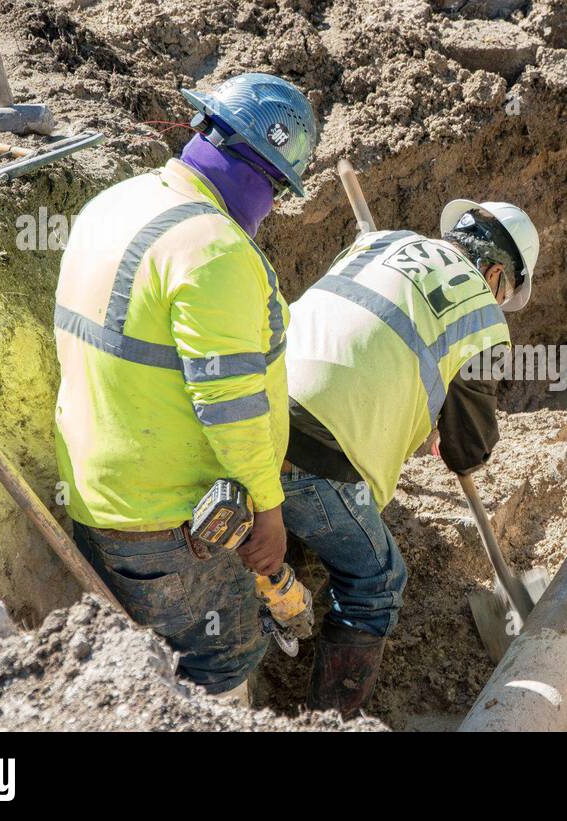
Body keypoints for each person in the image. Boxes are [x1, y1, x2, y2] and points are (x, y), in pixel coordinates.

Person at [53, 73, 319, 704]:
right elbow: (232, 408)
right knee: (219, 665)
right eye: (278, 188)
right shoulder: (216, 251)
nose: (273, 206)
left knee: (146, 671)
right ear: (264, 176)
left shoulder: (117, 201)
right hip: (172, 523)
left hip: (98, 501)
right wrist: (270, 510)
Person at [280, 200, 539, 715]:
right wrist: (450, 433)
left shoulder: (379, 242)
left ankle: (278, 582)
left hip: (248, 407)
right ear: (494, 275)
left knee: (303, 529)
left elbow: (354, 338)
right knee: (377, 584)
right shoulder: (481, 313)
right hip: (317, 450)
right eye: (503, 294)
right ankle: (327, 724)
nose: (498, 303)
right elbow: (468, 446)